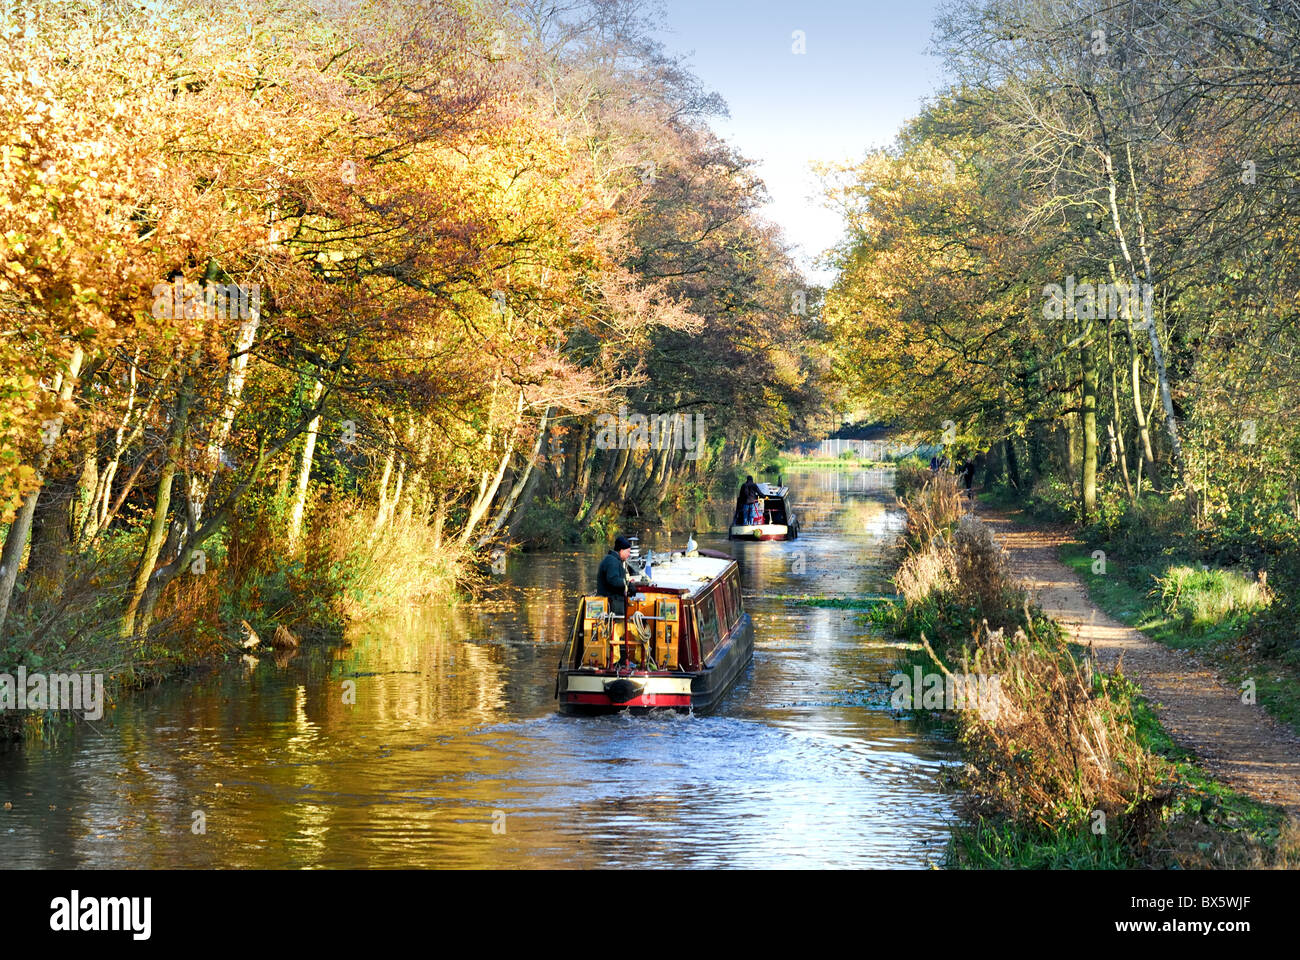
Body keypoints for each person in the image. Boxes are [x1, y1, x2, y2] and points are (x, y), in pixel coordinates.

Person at [597, 535, 633, 616]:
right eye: (628, 551)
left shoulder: (613, 560)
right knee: (619, 621)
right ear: (621, 550)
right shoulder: (612, 561)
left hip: (613, 600)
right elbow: (613, 580)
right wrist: (627, 583)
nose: (629, 554)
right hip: (612, 603)